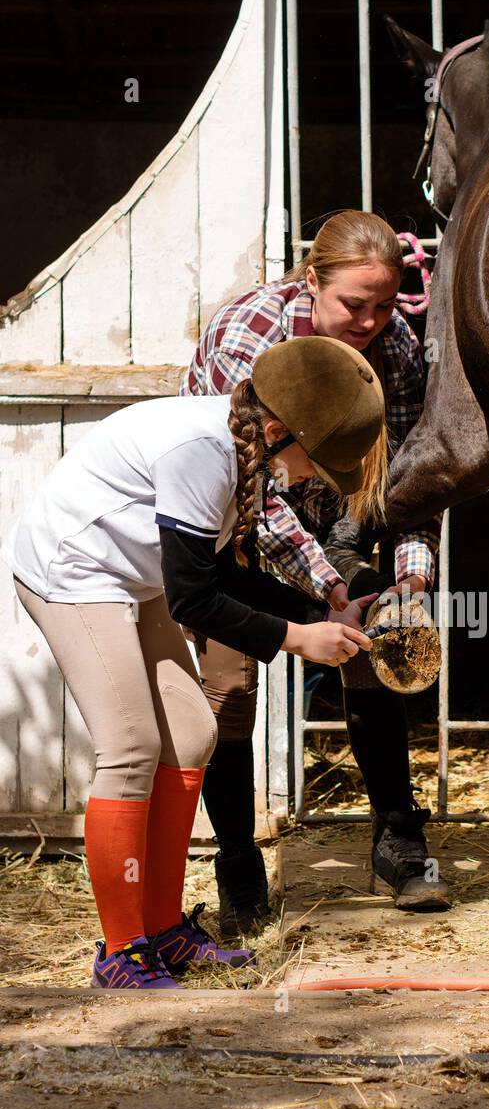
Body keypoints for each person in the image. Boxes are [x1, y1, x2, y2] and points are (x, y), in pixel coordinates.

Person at [4, 338, 382, 988]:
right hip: (72, 569)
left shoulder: (242, 449)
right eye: (313, 462)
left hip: (133, 574)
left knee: (192, 730)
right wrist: (298, 638)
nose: (313, 477)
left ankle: (162, 929)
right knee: (132, 744)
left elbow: (220, 574)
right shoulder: (204, 456)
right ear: (274, 431)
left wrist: (322, 611)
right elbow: (195, 598)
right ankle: (121, 954)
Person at [183, 209, 450, 930]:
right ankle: (239, 866)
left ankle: (399, 840)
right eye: (353, 305)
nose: (370, 321)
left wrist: (411, 577)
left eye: (386, 304)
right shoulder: (250, 338)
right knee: (230, 691)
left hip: (338, 516)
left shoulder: (394, 347)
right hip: (233, 526)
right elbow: (244, 487)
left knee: (374, 648)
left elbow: (406, 474)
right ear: (311, 283)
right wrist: (328, 591)